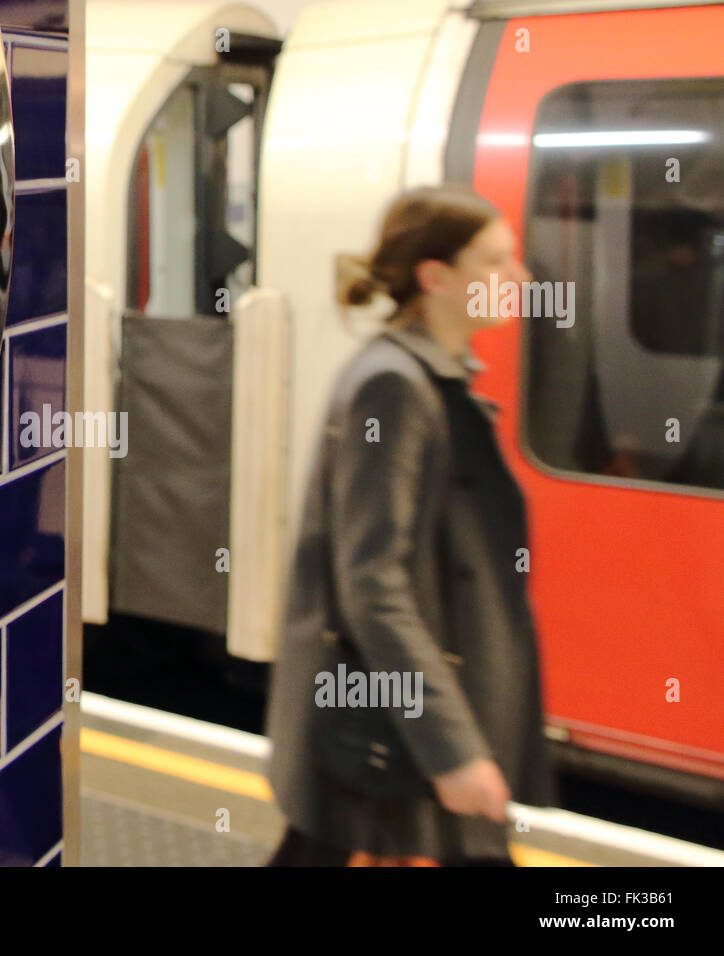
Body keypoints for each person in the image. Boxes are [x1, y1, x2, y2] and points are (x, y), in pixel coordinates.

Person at [265, 185, 555, 866]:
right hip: (384, 743)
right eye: (496, 262)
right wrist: (452, 748)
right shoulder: (395, 386)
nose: (520, 279)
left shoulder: (429, 377)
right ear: (437, 277)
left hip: (389, 738)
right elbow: (374, 583)